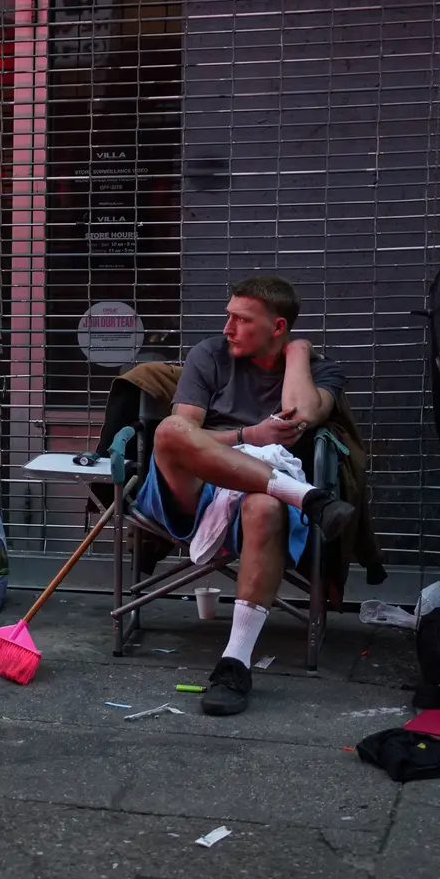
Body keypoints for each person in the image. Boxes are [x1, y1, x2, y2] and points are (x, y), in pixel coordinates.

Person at [140, 274, 357, 716]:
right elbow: (186, 433)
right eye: (228, 317)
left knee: (262, 504)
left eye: (242, 320)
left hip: (264, 498)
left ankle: (235, 662)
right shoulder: (209, 355)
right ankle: (306, 496)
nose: (228, 329)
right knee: (169, 429)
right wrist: (249, 433)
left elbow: (302, 416)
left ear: (278, 328)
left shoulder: (321, 369)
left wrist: (297, 354)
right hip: (195, 484)